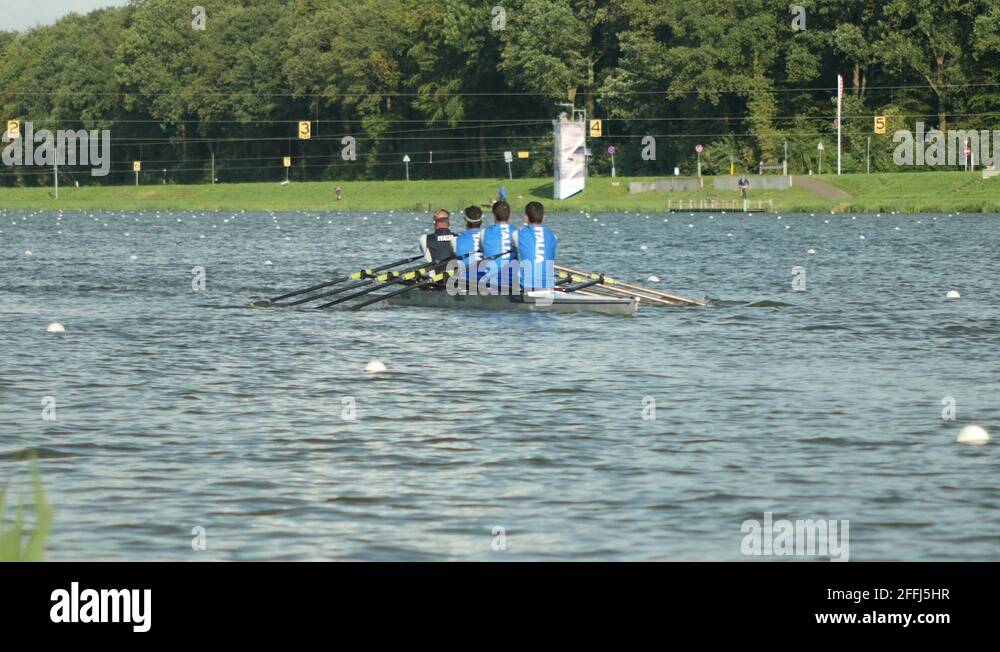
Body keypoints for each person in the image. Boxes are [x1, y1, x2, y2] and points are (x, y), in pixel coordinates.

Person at [515, 201, 558, 290]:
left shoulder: (517, 234)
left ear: (526, 217)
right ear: (543, 217)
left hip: (526, 287)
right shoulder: (553, 236)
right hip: (548, 286)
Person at [481, 200, 519, 291]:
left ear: (493, 215)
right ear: (510, 215)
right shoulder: (517, 233)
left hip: (490, 282)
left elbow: (483, 251)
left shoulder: (483, 233)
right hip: (511, 282)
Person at [454, 205, 484, 285]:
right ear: (481, 221)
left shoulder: (457, 239)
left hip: (466, 284)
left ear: (465, 221)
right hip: (487, 284)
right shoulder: (489, 238)